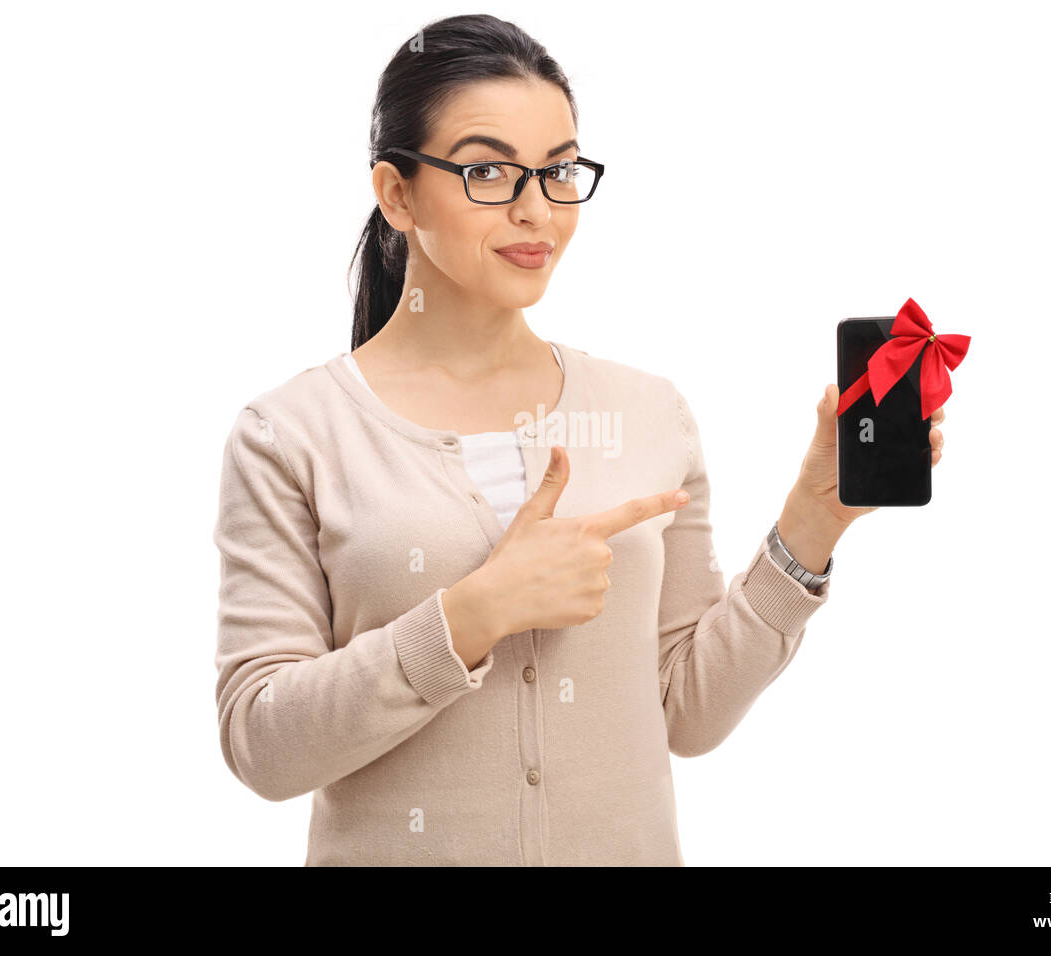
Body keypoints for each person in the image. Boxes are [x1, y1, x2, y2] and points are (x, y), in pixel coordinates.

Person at [211, 13, 947, 866]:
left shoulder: (648, 411)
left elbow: (686, 714)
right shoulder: (289, 434)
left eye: (558, 170)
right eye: (487, 170)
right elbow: (262, 745)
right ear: (396, 192)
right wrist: (473, 612)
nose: (536, 211)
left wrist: (811, 524)